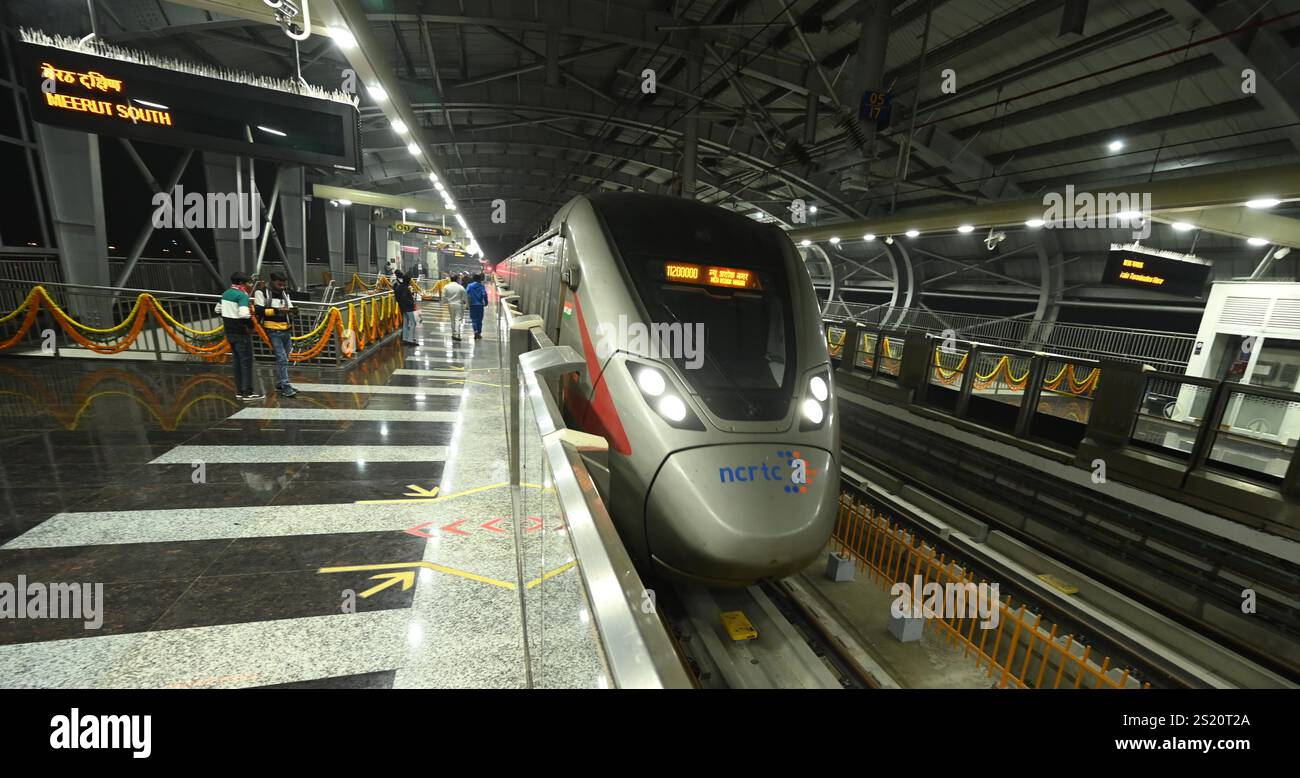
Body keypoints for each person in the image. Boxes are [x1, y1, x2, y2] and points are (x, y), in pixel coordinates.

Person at [221, 272, 264, 401]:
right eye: (249, 283)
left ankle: (239, 391)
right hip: (241, 333)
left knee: (237, 362)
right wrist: (251, 326)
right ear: (241, 283)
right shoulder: (242, 295)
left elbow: (217, 310)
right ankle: (247, 392)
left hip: (229, 332)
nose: (250, 285)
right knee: (246, 362)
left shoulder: (226, 293)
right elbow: (244, 314)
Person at [254, 272, 299, 397]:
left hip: (286, 329)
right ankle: (285, 385)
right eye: (279, 284)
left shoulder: (284, 293)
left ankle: (280, 383)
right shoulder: (261, 292)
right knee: (282, 358)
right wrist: (277, 310)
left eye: (284, 285)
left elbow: (289, 306)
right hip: (272, 330)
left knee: (285, 358)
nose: (282, 287)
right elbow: (258, 310)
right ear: (272, 281)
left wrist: (293, 311)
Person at [394, 270, 419, 345]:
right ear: (408, 281)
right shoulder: (405, 288)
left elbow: (399, 298)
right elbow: (404, 298)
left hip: (403, 307)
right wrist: (412, 303)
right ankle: (409, 340)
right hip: (408, 307)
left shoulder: (399, 287)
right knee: (412, 323)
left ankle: (405, 338)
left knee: (406, 323)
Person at [442, 274, 467, 342]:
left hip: (450, 305)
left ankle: (453, 334)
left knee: (452, 320)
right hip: (459, 305)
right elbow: (465, 298)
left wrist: (447, 301)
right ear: (457, 280)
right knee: (458, 319)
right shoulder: (460, 287)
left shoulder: (446, 286)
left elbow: (443, 296)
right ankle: (457, 334)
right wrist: (465, 303)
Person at [466, 273, 488, 340]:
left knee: (473, 320)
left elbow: (466, 294)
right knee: (479, 320)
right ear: (479, 279)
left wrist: (467, 304)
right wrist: (486, 302)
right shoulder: (481, 286)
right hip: (480, 305)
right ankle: (479, 333)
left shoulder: (469, 285)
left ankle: (475, 331)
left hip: (472, 305)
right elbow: (484, 294)